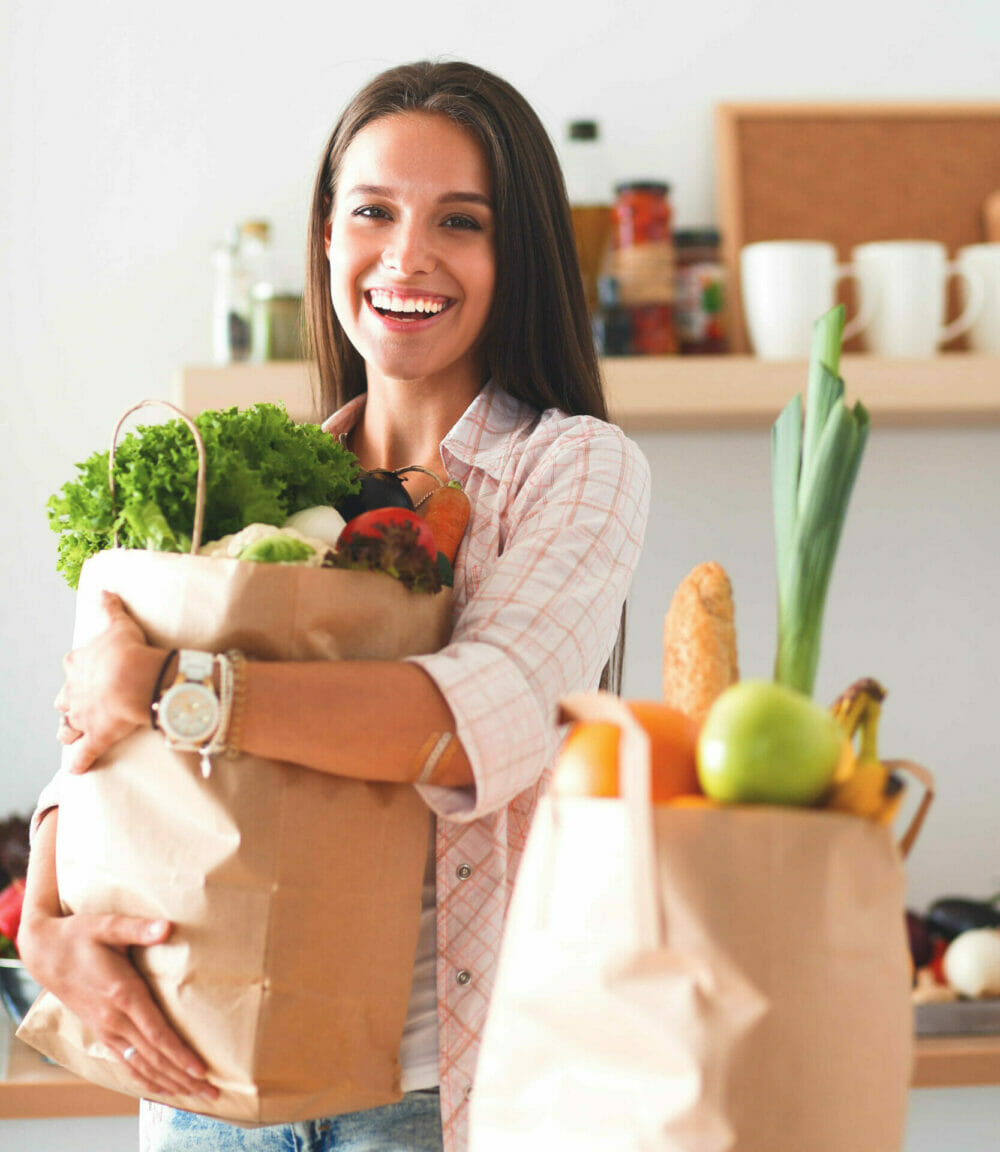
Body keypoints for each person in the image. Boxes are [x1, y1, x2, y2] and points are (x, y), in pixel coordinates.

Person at [19, 60, 650, 1152]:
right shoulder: (259, 482)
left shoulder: (576, 469)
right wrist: (42, 919)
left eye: (460, 221)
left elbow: (474, 719)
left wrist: (179, 687)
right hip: (198, 1069)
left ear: (520, 255)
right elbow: (102, 741)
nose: (407, 257)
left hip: (424, 1093)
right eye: (372, 211)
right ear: (324, 235)